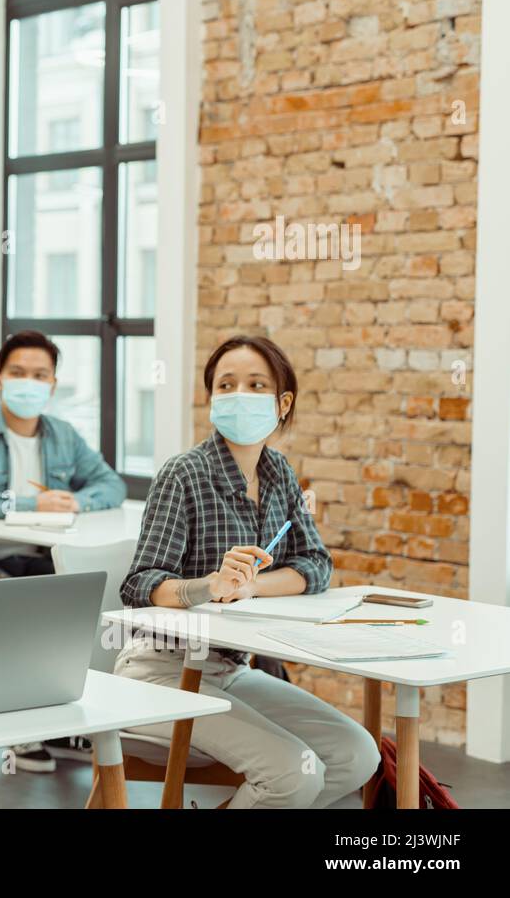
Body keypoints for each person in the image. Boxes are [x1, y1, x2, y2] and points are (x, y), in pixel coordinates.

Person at [113, 334, 380, 808]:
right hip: (161, 671)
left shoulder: (280, 473)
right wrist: (209, 586)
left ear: (283, 403)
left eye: (257, 385)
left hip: (229, 670)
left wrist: (253, 586)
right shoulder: (184, 474)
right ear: (211, 398)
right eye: (227, 385)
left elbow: (316, 565)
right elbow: (138, 585)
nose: (241, 395)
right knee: (294, 776)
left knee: (357, 755)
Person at [0, 329, 126, 772]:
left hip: (39, 560)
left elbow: (111, 484)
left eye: (40, 375)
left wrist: (77, 500)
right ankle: (24, 731)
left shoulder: (64, 435)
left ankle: (59, 724)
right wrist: (31, 502)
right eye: (18, 372)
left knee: (90, 598)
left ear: (53, 384)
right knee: (35, 605)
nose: (28, 383)